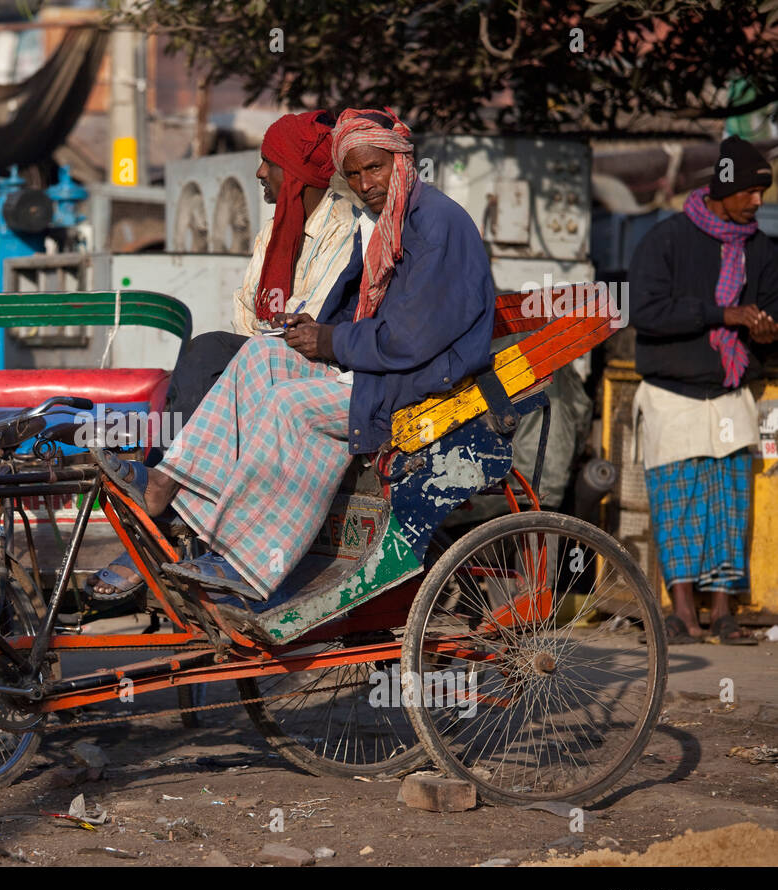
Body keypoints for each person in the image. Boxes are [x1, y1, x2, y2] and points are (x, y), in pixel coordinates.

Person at [93, 108, 495, 600]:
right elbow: (361, 315)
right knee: (257, 357)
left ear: (401, 161)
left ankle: (250, 563)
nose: (365, 183)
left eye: (376, 168)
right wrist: (321, 331)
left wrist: (328, 340)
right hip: (373, 367)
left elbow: (409, 340)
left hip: (417, 383)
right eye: (353, 173)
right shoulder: (385, 221)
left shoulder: (434, 224)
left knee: (290, 405)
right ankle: (167, 484)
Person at [86, 110, 363, 602]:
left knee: (212, 350)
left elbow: (304, 323)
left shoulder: (347, 232)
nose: (260, 174)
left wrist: (265, 333)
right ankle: (163, 504)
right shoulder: (276, 231)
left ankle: (161, 514)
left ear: (295, 174)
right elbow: (248, 310)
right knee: (209, 352)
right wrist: (264, 333)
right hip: (270, 351)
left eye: (269, 164)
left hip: (325, 363)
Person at [628, 136, 778, 645]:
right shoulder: (666, 239)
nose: (758, 202)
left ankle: (724, 614)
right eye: (751, 193)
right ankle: (681, 613)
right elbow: (645, 312)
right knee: (678, 506)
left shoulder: (762, 249)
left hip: (732, 393)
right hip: (672, 396)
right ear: (723, 189)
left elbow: (774, 311)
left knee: (728, 508)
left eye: (764, 193)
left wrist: (765, 330)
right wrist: (721, 314)